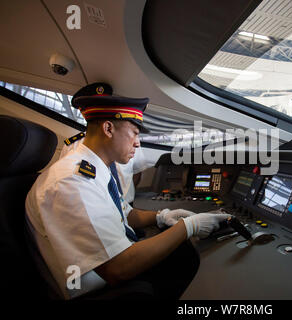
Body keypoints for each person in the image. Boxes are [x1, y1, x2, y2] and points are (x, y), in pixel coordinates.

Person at [25, 92, 230, 300]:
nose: (138, 143)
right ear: (108, 128)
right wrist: (188, 227)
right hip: (95, 290)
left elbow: (124, 213)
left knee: (179, 253)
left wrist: (161, 215)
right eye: (134, 132)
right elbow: (117, 269)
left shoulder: (96, 169)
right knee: (184, 259)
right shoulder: (72, 182)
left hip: (107, 269)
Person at [60, 83, 154, 204]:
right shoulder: (73, 168)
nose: (137, 143)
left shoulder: (127, 143)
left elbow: (137, 172)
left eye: (105, 101)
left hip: (124, 203)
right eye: (95, 104)